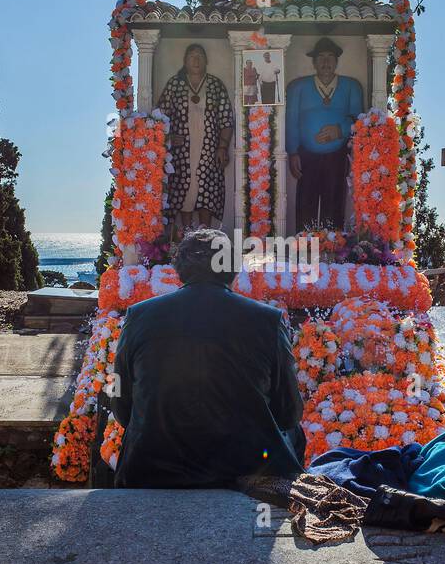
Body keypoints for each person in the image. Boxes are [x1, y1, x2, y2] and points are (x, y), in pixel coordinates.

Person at [111, 229, 306, 488]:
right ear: (234, 270)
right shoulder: (267, 320)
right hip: (246, 469)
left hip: (150, 468)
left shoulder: (138, 316)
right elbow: (289, 413)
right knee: (295, 434)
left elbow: (122, 406)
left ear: (179, 270)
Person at [285, 37, 363, 232]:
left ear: (336, 61)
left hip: (337, 156)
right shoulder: (298, 88)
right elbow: (291, 121)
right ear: (314, 61)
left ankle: (334, 251)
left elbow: (359, 119)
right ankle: (304, 251)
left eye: (330, 57)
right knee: (306, 203)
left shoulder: (351, 87)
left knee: (334, 202)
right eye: (321, 57)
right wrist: (292, 152)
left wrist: (339, 130)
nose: (326, 62)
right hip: (306, 156)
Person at [156, 44, 234, 238]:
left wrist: (223, 147)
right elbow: (159, 118)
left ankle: (205, 236)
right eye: (192, 56)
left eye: (200, 56)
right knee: (184, 191)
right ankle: (185, 237)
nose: (196, 60)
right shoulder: (175, 84)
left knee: (206, 189)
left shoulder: (215, 85)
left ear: (206, 61)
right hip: (181, 151)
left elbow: (226, 119)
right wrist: (168, 138)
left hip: (208, 149)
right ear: (185, 61)